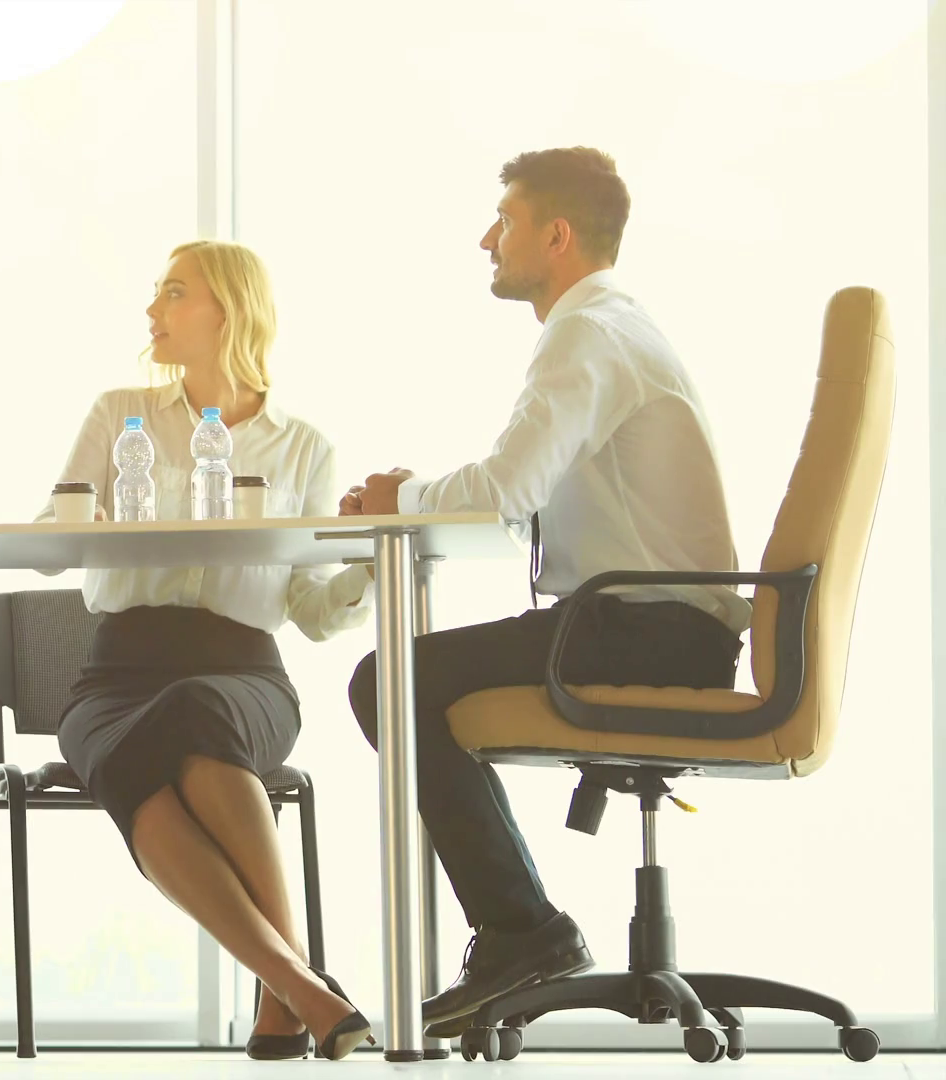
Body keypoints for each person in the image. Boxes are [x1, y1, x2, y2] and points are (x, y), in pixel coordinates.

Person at [342, 148, 749, 1037]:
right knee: (409, 679)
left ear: (556, 235)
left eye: (507, 221)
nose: (487, 239)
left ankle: (522, 933)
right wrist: (414, 493)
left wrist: (401, 500)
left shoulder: (586, 331)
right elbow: (521, 487)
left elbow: (503, 490)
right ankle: (520, 929)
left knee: (390, 682)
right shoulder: (614, 328)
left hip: (648, 628)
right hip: (654, 622)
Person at [39, 240, 377, 1061]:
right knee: (156, 745)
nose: (152, 311)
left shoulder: (303, 447)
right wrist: (93, 520)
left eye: (173, 293)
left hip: (242, 671)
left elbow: (314, 610)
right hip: (117, 672)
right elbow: (53, 540)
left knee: (201, 715)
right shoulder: (121, 415)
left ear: (226, 310)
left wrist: (374, 560)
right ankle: (296, 987)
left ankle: (287, 990)